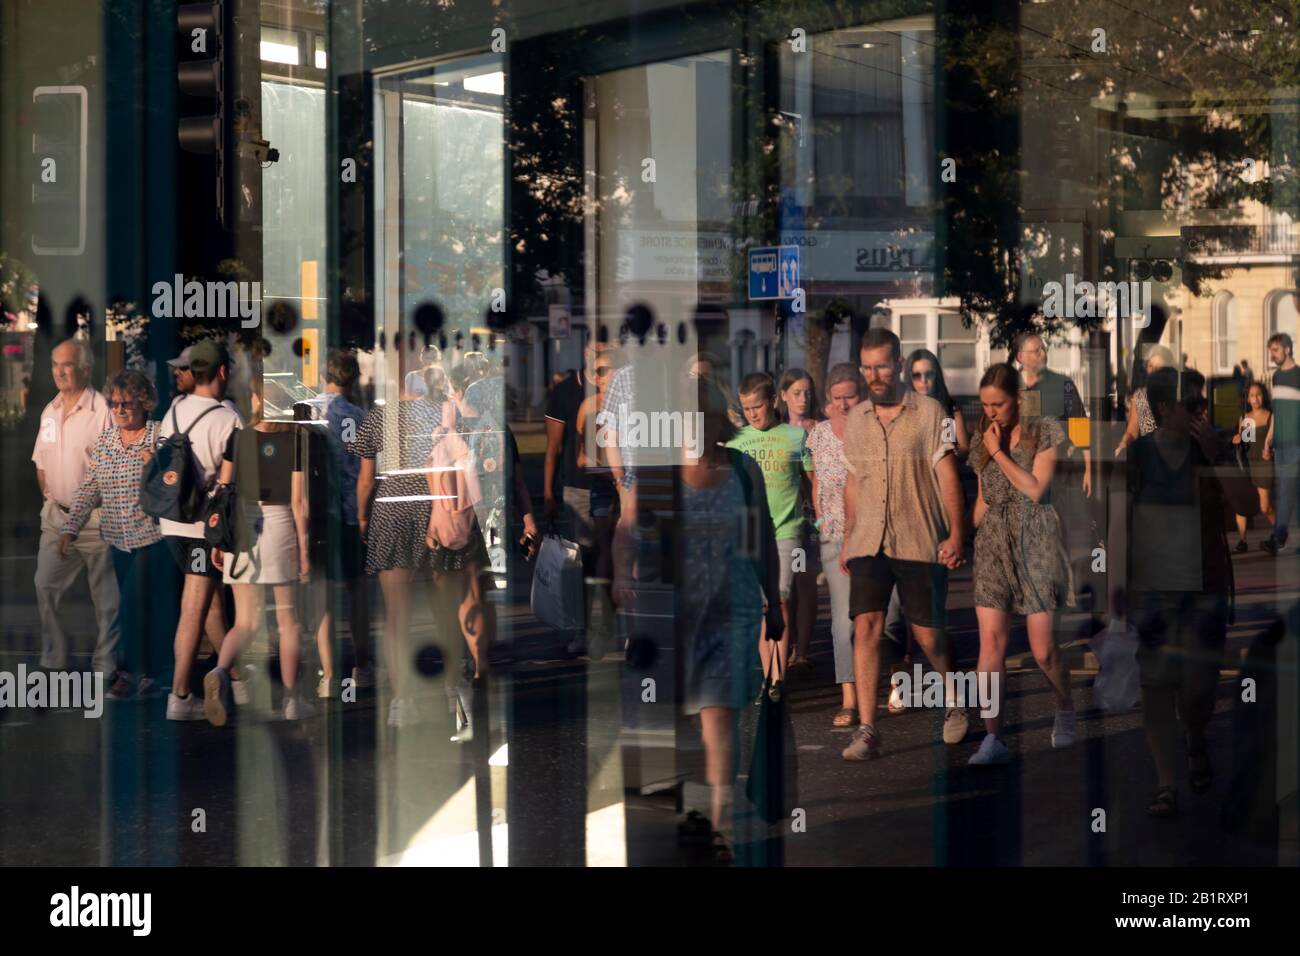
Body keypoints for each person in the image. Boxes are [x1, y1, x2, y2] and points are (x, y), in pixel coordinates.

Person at [839, 328, 968, 761]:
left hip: (919, 538)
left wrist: (956, 533)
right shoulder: (856, 420)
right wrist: (848, 536)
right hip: (869, 539)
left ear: (897, 365)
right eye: (867, 366)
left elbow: (948, 475)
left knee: (928, 635)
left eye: (881, 365)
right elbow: (854, 480)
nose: (874, 374)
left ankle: (954, 699)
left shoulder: (930, 412)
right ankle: (867, 726)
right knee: (866, 628)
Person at [1130, 368, 1249, 817]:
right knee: (1157, 687)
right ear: (1165, 411)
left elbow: (1249, 508)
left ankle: (1196, 736)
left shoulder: (1212, 448)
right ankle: (1166, 784)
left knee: (1197, 691)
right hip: (1155, 591)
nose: (1201, 410)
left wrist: (1218, 457)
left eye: (1202, 403)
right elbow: (1120, 518)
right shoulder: (1140, 453)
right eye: (1192, 404)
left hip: (1205, 588)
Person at [677, 376, 783, 864]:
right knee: (701, 727)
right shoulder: (664, 473)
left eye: (703, 419)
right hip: (685, 619)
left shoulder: (743, 469)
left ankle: (719, 829)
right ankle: (704, 817)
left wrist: (775, 606)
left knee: (719, 720)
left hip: (735, 611)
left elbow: (762, 539)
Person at [966, 363, 1077, 765]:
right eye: (985, 404)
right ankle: (992, 736)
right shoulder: (984, 435)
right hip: (994, 541)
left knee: (1042, 648)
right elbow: (984, 497)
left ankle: (1064, 704)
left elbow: (1035, 489)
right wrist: (960, 536)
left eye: (998, 404)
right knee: (990, 643)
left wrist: (998, 452)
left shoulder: (1044, 430)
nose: (991, 411)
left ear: (1018, 399)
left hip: (1036, 537)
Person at [59, 369, 180, 698]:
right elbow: (90, 487)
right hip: (117, 539)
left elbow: (177, 481)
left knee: (130, 604)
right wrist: (71, 528)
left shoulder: (158, 436)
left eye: (127, 404)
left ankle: (131, 672)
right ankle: (154, 673)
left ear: (144, 403)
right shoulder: (106, 441)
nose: (119, 410)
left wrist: (156, 464)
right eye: (114, 404)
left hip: (153, 537)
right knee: (142, 608)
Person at [203, 371, 313, 725]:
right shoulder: (298, 440)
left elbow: (223, 489)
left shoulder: (239, 438)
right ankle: (292, 700)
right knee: (287, 619)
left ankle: (220, 671)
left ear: (257, 403)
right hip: (279, 524)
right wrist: (305, 550)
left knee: (246, 621)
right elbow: (299, 502)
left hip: (243, 528)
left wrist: (220, 541)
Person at [351, 363, 445, 728]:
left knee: (395, 615)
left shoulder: (378, 417)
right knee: (443, 605)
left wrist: (362, 517)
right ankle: (455, 688)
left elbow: (364, 478)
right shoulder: (435, 414)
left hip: (390, 510)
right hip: (433, 506)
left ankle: (401, 701)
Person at [161, 340, 244, 720]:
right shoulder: (228, 419)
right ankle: (180, 696)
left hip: (170, 521)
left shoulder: (175, 410)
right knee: (194, 605)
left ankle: (234, 674)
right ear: (222, 372)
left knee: (209, 602)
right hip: (202, 527)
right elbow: (234, 481)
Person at [31, 337, 118, 677]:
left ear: (85, 368)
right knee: (44, 583)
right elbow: (41, 462)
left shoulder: (103, 412)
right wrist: (52, 497)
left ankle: (105, 665)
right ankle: (55, 658)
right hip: (57, 517)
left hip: (97, 519)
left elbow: (111, 466)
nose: (60, 371)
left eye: (67, 364)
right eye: (55, 365)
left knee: (106, 601)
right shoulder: (49, 411)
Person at [725, 372, 810, 684]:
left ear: (773, 401)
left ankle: (777, 679)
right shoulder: (737, 441)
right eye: (746, 409)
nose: (752, 414)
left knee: (781, 600)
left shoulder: (795, 436)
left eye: (757, 407)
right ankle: (768, 677)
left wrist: (818, 519)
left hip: (787, 529)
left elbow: (810, 481)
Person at [297, 349, 373, 696]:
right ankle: (361, 666)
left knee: (323, 596)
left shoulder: (308, 412)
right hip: (351, 513)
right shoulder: (361, 416)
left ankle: (329, 675)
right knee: (357, 591)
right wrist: (363, 515)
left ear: (323, 375)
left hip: (319, 515)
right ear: (354, 378)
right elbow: (367, 474)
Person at [805, 363, 864, 727]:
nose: (844, 404)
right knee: (843, 622)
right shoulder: (819, 435)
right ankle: (849, 698)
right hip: (834, 536)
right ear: (829, 399)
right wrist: (821, 520)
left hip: (873, 535)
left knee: (883, 618)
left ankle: (888, 682)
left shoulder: (873, 429)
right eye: (838, 397)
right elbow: (816, 483)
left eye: (850, 396)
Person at [776, 368, 822, 672]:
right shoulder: (776, 430)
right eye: (796, 393)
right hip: (783, 518)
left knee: (805, 583)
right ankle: (785, 645)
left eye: (807, 392)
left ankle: (802, 651)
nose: (802, 399)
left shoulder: (818, 428)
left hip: (809, 517)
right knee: (784, 589)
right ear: (782, 396)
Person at [1016, 333, 1092, 498]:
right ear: (1021, 356)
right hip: (1019, 475)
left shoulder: (1062, 384)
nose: (1042, 354)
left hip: (1058, 475)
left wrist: (1089, 469)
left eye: (1043, 349)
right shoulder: (1011, 386)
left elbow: (1079, 425)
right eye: (1036, 351)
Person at [1261, 332, 1300, 555]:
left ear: (1287, 349)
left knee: (1285, 491)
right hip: (1281, 446)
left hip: (1296, 443)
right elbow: (1276, 413)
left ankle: (1278, 537)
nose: (1272, 355)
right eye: (1271, 351)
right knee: (1289, 493)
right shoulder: (1275, 377)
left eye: (1275, 350)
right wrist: (1268, 440)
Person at [1232, 381, 1274, 552]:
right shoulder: (1245, 417)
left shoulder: (1270, 416)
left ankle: (1279, 534)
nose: (1256, 398)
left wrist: (1269, 448)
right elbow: (1247, 442)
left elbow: (1273, 440)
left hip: (1264, 465)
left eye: (1258, 394)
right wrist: (1238, 438)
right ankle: (1242, 541)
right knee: (1241, 505)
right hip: (1248, 465)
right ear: (1247, 399)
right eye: (1252, 395)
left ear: (1263, 396)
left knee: (1265, 507)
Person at [906, 348, 969, 457]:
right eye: (916, 375)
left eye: (929, 374)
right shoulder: (904, 410)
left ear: (937, 376)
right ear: (909, 378)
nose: (923, 380)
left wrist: (948, 451)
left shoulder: (950, 408)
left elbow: (964, 448)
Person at [1115, 344, 1174, 457]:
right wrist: (1123, 445)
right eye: (1150, 366)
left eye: (1158, 368)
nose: (1153, 372)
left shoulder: (1175, 396)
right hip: (1151, 456)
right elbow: (1132, 432)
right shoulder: (1142, 397)